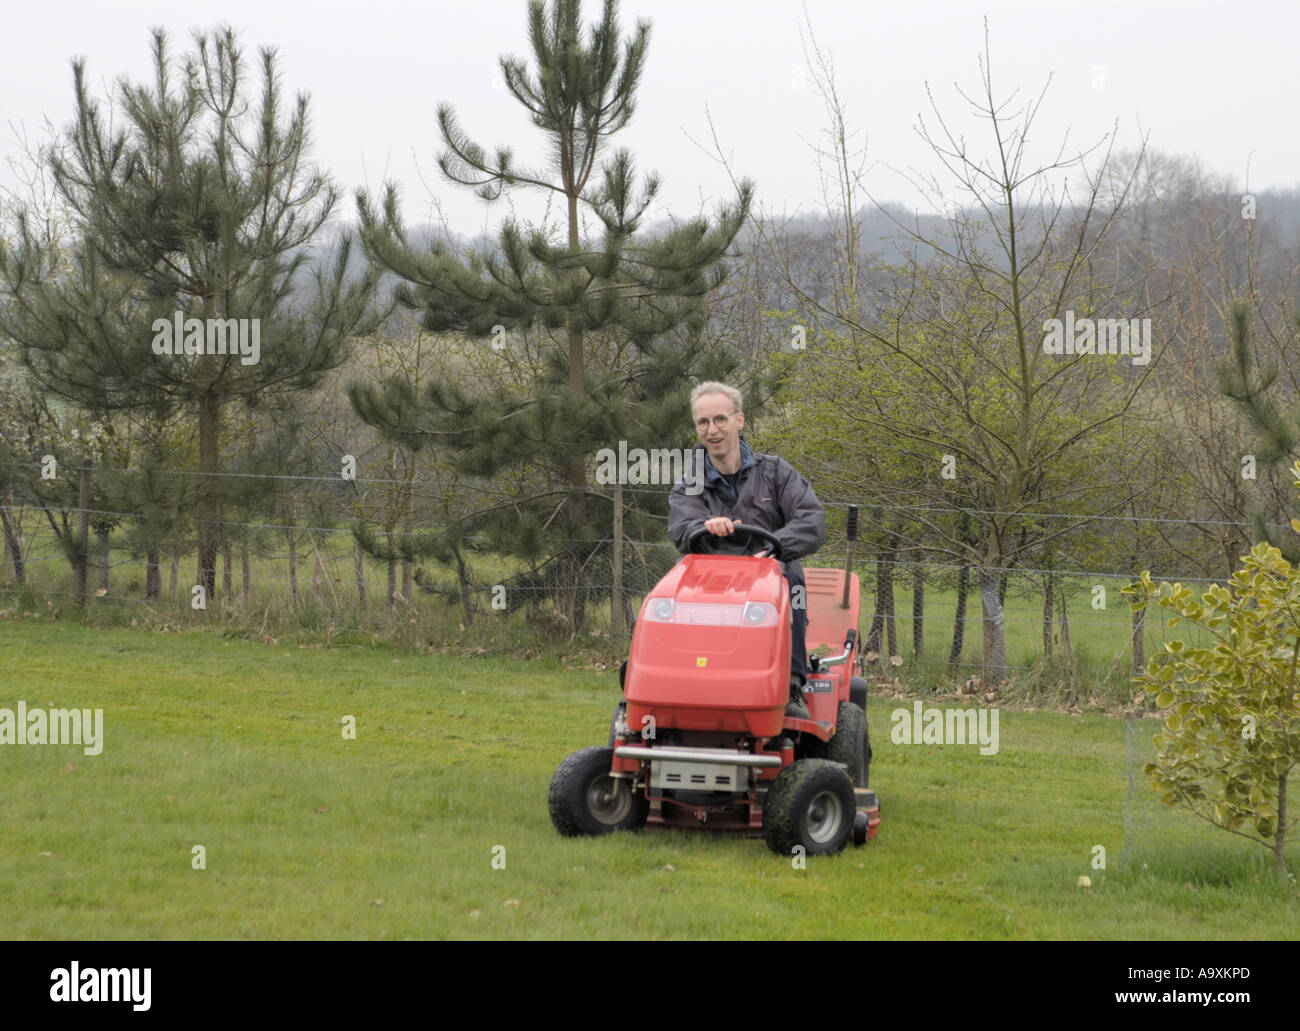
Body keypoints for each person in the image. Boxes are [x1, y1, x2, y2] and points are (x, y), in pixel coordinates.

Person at [667, 381, 826, 719]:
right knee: (670, 590)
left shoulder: (776, 472)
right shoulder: (690, 482)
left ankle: (793, 684)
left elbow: (811, 520)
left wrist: (774, 548)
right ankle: (684, 679)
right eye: (703, 422)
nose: (713, 430)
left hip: (769, 569)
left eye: (720, 419)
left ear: (739, 421)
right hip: (714, 575)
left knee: (791, 580)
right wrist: (703, 528)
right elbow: (682, 528)